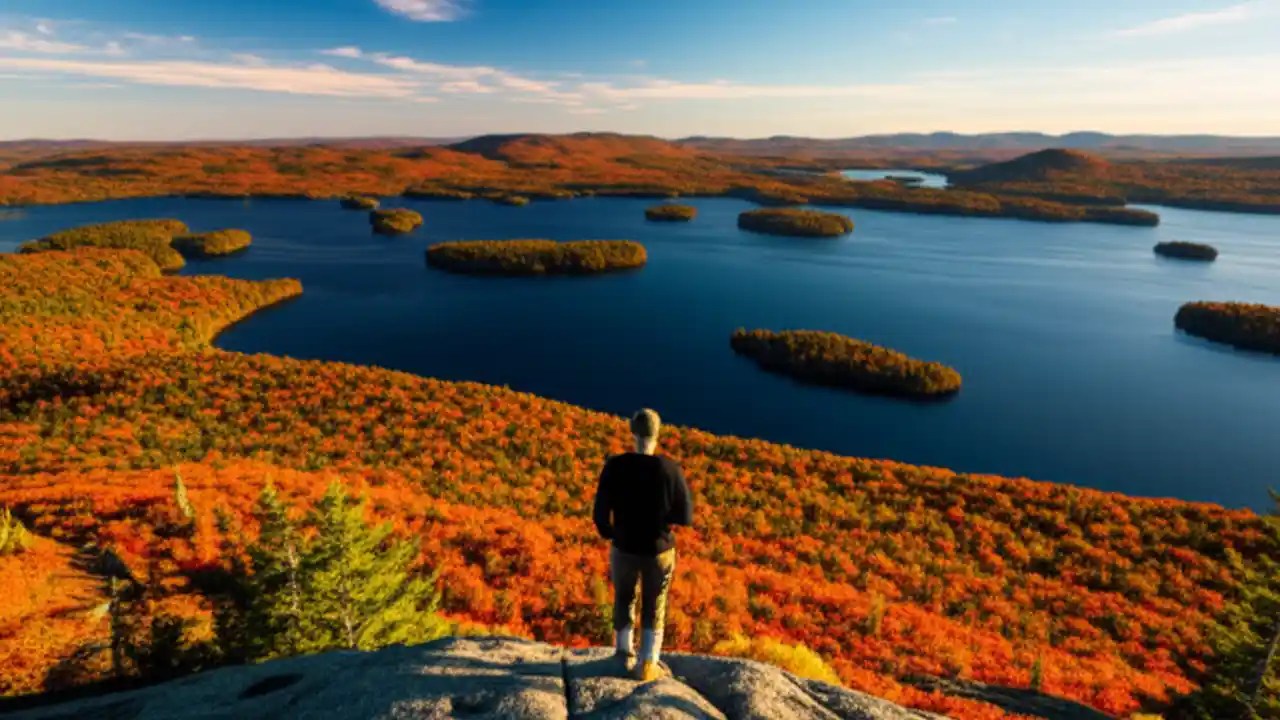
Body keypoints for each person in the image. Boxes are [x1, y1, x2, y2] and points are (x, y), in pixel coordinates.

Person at [592, 408, 693, 682]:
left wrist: (611, 533)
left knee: (624, 596)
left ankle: (623, 653)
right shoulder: (670, 470)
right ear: (658, 434)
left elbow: (600, 512)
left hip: (624, 546)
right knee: (655, 602)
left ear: (633, 432)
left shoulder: (616, 466)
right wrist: (662, 525)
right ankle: (648, 663)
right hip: (658, 550)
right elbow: (685, 516)